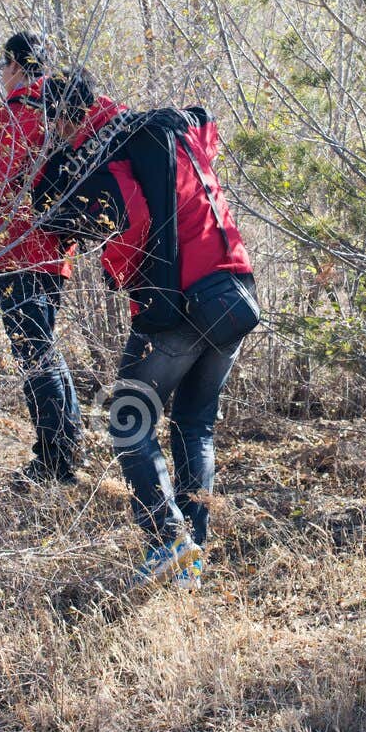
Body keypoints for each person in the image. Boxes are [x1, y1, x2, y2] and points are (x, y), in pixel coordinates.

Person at [35, 71, 259, 589]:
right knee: (193, 425)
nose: (55, 134)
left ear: (68, 117)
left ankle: (166, 540)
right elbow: (207, 128)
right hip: (235, 289)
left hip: (181, 305)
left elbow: (118, 218)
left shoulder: (115, 155)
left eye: (55, 124)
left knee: (127, 421)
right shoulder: (168, 132)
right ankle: (191, 557)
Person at [0, 32, 123, 486]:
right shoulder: (61, 105)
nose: (2, 74)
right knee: (45, 352)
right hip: (55, 253)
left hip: (18, 253)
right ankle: (66, 450)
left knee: (35, 356)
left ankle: (55, 463)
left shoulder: (18, 112)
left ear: (15, 64)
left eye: (3, 65)